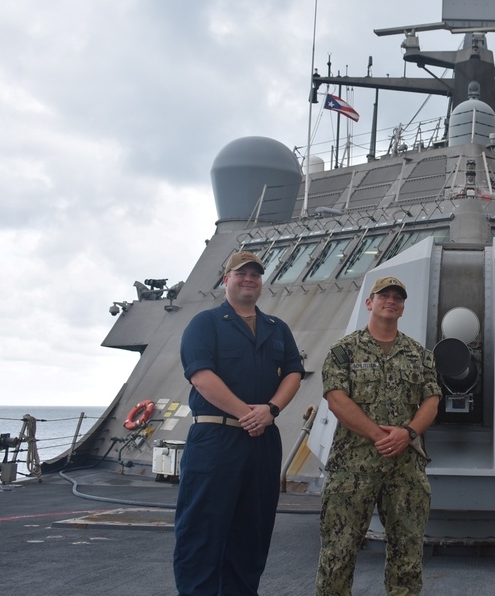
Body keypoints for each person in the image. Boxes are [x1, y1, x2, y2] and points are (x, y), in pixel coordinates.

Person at [173, 250, 305, 595]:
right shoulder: (205, 324)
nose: (249, 279)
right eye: (241, 273)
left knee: (252, 535)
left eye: (255, 274)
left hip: (262, 444)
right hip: (215, 440)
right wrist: (248, 413)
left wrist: (271, 410)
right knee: (201, 534)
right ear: (225, 279)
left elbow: (293, 372)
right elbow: (200, 376)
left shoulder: (278, 329)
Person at [316, 276, 441, 596]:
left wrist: (408, 433)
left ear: (402, 307)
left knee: (408, 554)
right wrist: (379, 435)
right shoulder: (343, 351)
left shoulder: (420, 355)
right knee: (339, 552)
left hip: (405, 468)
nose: (391, 300)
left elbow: (431, 399)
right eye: (383, 295)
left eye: (398, 297)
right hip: (352, 466)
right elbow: (336, 398)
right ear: (369, 303)